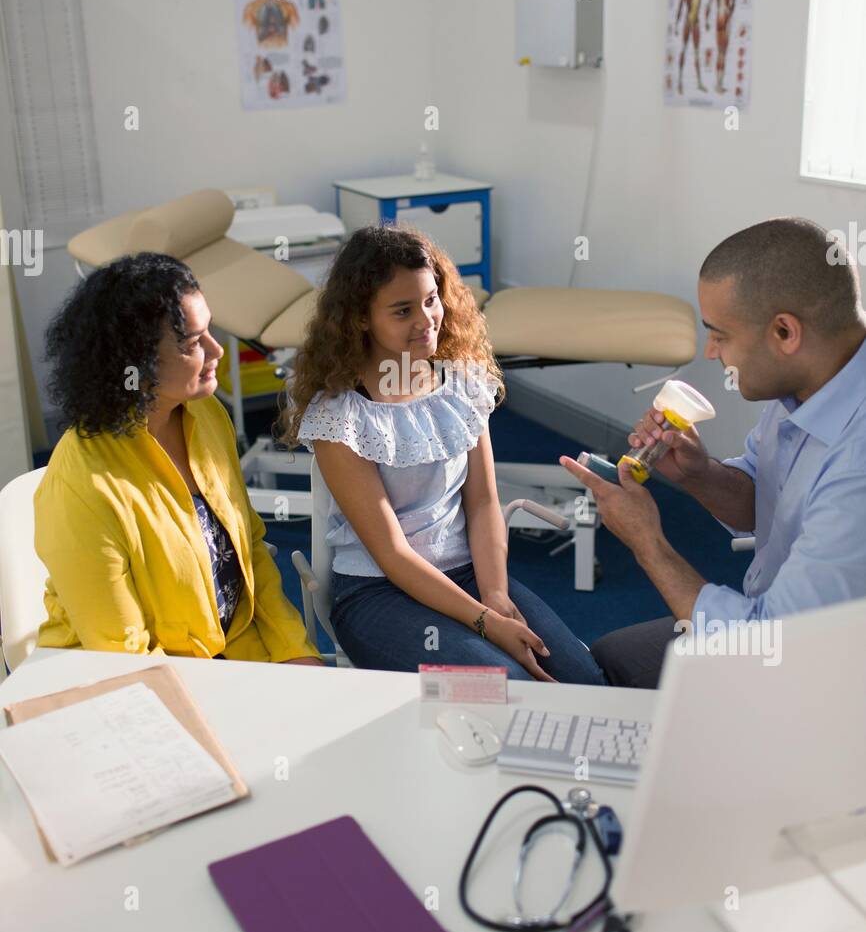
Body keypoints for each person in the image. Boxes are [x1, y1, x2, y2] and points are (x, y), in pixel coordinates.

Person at [283, 225, 605, 684]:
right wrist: (485, 622)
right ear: (359, 317)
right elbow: (392, 553)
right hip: (378, 592)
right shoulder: (341, 416)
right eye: (402, 310)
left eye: (431, 299)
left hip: (472, 575)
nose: (427, 319)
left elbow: (483, 502)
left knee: (584, 682)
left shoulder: (461, 386)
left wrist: (494, 595)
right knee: (506, 686)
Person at [561, 218, 866, 687]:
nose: (710, 352)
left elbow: (772, 652)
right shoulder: (808, 382)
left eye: (720, 334)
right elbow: (763, 505)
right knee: (609, 660)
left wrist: (648, 542)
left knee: (616, 681)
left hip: (816, 673)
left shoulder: (856, 467)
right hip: (778, 625)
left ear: (785, 333)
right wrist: (699, 474)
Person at [35, 252, 321, 665]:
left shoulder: (205, 414)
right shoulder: (83, 488)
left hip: (231, 649)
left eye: (209, 331)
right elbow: (122, 655)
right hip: (132, 677)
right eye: (192, 343)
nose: (217, 350)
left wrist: (295, 651)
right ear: (133, 361)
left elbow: (252, 550)